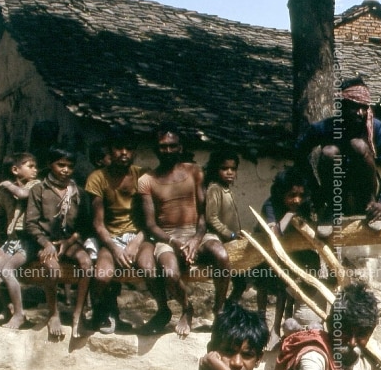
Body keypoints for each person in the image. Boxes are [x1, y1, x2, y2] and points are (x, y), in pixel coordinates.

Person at [136, 124, 232, 336]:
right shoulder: (146, 180)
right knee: (170, 272)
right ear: (155, 149)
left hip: (197, 233)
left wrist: (196, 239)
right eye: (163, 147)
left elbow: (203, 213)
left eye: (172, 146)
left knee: (222, 256)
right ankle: (187, 308)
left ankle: (219, 309)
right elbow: (151, 225)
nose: (168, 151)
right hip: (167, 237)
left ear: (180, 147)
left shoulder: (194, 171)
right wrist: (174, 242)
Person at [296, 77, 381, 236]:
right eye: (354, 107)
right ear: (342, 106)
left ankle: (370, 206)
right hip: (335, 196)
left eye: (364, 107)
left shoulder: (374, 127)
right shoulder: (325, 128)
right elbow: (299, 153)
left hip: (364, 194)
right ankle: (332, 208)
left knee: (358, 145)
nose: (360, 112)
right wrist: (315, 191)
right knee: (329, 152)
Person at [24, 149, 94, 338]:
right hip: (45, 242)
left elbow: (86, 225)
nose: (65, 170)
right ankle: (53, 313)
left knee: (87, 264)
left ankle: (78, 314)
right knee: (52, 268)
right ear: (50, 164)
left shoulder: (78, 192)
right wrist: (46, 244)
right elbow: (31, 223)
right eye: (60, 165)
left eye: (70, 166)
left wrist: (70, 241)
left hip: (70, 241)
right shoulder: (39, 190)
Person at [86, 128, 145, 334]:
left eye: (129, 148)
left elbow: (151, 220)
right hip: (110, 237)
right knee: (102, 276)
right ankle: (101, 309)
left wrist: (135, 243)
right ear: (110, 151)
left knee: (151, 269)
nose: (124, 153)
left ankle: (163, 313)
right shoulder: (98, 177)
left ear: (134, 152)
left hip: (138, 236)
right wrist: (115, 248)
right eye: (119, 148)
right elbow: (98, 223)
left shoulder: (142, 176)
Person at [257, 168, 320, 341]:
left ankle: (279, 326)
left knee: (286, 285)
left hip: (288, 250)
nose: (297, 200)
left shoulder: (302, 206)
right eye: (292, 195)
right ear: (281, 193)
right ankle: (262, 323)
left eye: (300, 195)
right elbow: (274, 234)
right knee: (264, 284)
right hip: (265, 251)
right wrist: (289, 215)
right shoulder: (270, 205)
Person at [0, 152, 40, 328]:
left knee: (7, 271)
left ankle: (19, 314)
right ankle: (8, 307)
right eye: (30, 166)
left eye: (35, 166)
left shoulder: (36, 185)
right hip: (11, 240)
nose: (35, 170)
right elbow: (0, 218)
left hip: (29, 240)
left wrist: (7, 184)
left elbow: (22, 195)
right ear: (15, 170)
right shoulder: (2, 192)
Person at [204, 148, 247, 304]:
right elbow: (212, 218)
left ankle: (228, 306)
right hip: (220, 241)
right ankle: (220, 306)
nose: (229, 172)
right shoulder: (214, 189)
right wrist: (231, 234)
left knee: (242, 282)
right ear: (216, 169)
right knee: (229, 279)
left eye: (233, 169)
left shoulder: (227, 189)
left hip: (232, 240)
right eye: (224, 168)